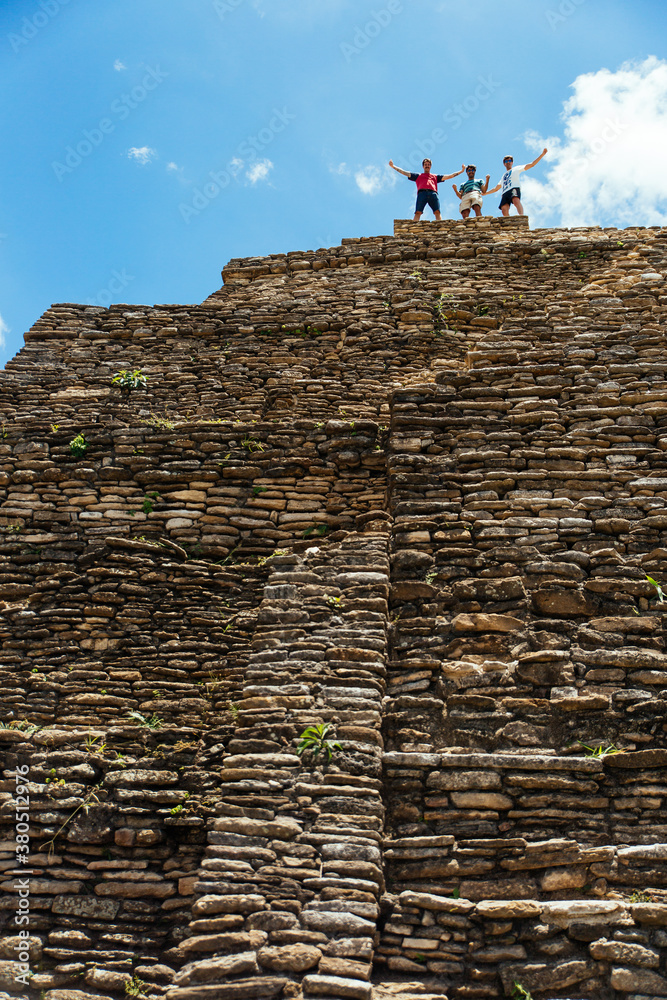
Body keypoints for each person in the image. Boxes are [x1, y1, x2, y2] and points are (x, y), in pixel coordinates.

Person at [389, 157, 465, 221]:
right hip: (422, 193)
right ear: (423, 166)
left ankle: (440, 226)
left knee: (437, 211)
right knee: (418, 212)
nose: (427, 166)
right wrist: (393, 166)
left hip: (433, 193)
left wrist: (461, 171)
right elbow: (405, 172)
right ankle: (414, 227)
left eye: (428, 165)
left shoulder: (435, 176)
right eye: (425, 165)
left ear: (430, 166)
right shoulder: (418, 176)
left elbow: (449, 176)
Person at [487, 148, 548, 216]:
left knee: (516, 200)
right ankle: (508, 223)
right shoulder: (503, 176)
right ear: (504, 164)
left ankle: (521, 216)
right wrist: (485, 193)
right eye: (506, 161)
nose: (508, 162)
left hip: (514, 188)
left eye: (510, 160)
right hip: (505, 192)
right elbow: (496, 188)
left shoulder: (516, 168)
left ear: (512, 162)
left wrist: (542, 154)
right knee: (504, 209)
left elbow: (532, 164)